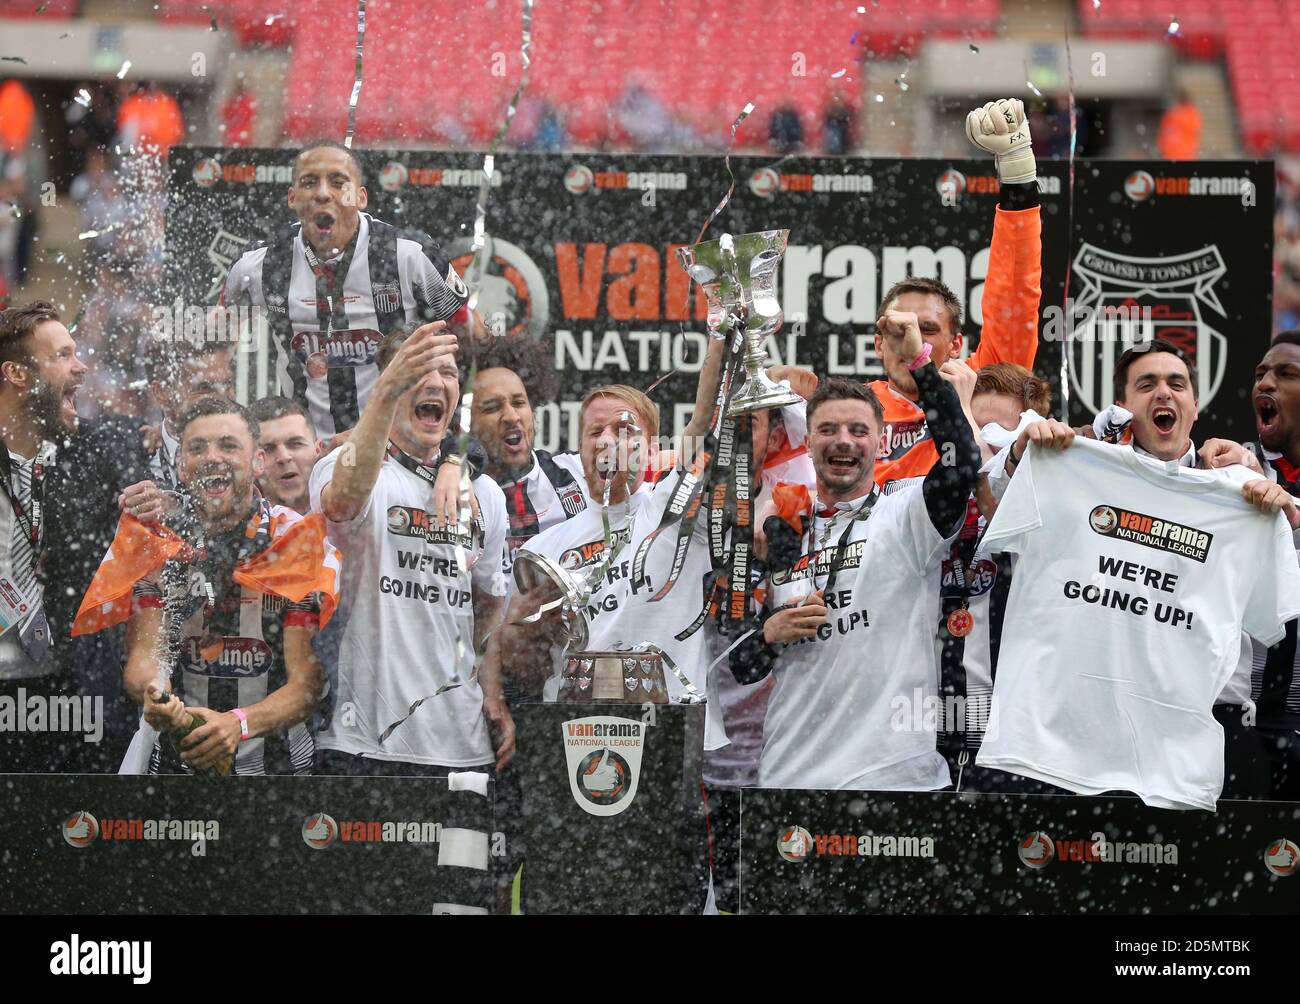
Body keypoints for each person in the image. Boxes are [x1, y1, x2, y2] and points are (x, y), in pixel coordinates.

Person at [984, 340, 1298, 807]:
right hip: (1069, 734)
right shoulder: (1070, 463)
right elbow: (994, 494)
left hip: (1187, 741)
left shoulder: (1240, 492)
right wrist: (1022, 456)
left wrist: (1287, 515)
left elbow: (1270, 620)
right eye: (1146, 384)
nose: (1164, 394)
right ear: (1124, 407)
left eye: (1177, 384)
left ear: (1195, 405)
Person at [729, 311, 981, 790]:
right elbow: (742, 666)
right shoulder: (780, 532)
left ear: (880, 442)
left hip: (896, 779)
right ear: (809, 445)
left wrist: (919, 361)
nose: (843, 441)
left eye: (859, 431)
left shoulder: (907, 515)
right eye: (827, 430)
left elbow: (962, 459)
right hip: (792, 777)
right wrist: (767, 635)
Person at [76, 396, 336, 776]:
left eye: (229, 445)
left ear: (257, 462)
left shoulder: (293, 537)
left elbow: (306, 684)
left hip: (277, 776)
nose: (212, 457)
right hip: (173, 770)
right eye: (197, 448)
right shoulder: (158, 540)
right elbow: (143, 662)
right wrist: (161, 700)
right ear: (181, 467)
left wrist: (237, 724)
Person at [308, 322, 513, 776]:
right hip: (363, 742)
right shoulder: (348, 468)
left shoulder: (487, 495)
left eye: (449, 372)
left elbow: (488, 605)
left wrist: (490, 693)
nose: (437, 382)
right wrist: (383, 394)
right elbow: (340, 502)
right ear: (389, 382)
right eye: (419, 369)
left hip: (463, 747)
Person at [223, 141, 486, 441]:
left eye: (338, 182)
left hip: (398, 448)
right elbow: (216, 342)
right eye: (309, 183)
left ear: (361, 197)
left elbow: (475, 340)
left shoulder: (409, 255)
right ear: (293, 198)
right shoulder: (258, 265)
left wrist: (458, 442)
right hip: (309, 454)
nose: (323, 193)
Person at [871, 98, 1043, 488]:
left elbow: (1016, 292)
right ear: (878, 344)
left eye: (927, 328)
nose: (911, 339)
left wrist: (1017, 170)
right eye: (898, 329)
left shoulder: (985, 386)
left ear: (957, 344)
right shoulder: (853, 409)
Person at [0, 301, 88, 772]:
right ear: (16, 373)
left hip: (67, 702)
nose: (81, 366)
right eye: (62, 355)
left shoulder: (92, 458)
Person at [1245, 330, 1300, 797]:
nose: (1266, 382)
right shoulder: (1229, 474)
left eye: (1286, 374)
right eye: (1261, 373)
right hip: (1249, 716)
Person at [250, 396, 319, 515]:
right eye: (268, 449)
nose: (284, 457)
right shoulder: (235, 527)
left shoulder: (351, 516)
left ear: (318, 450)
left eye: (295, 444)